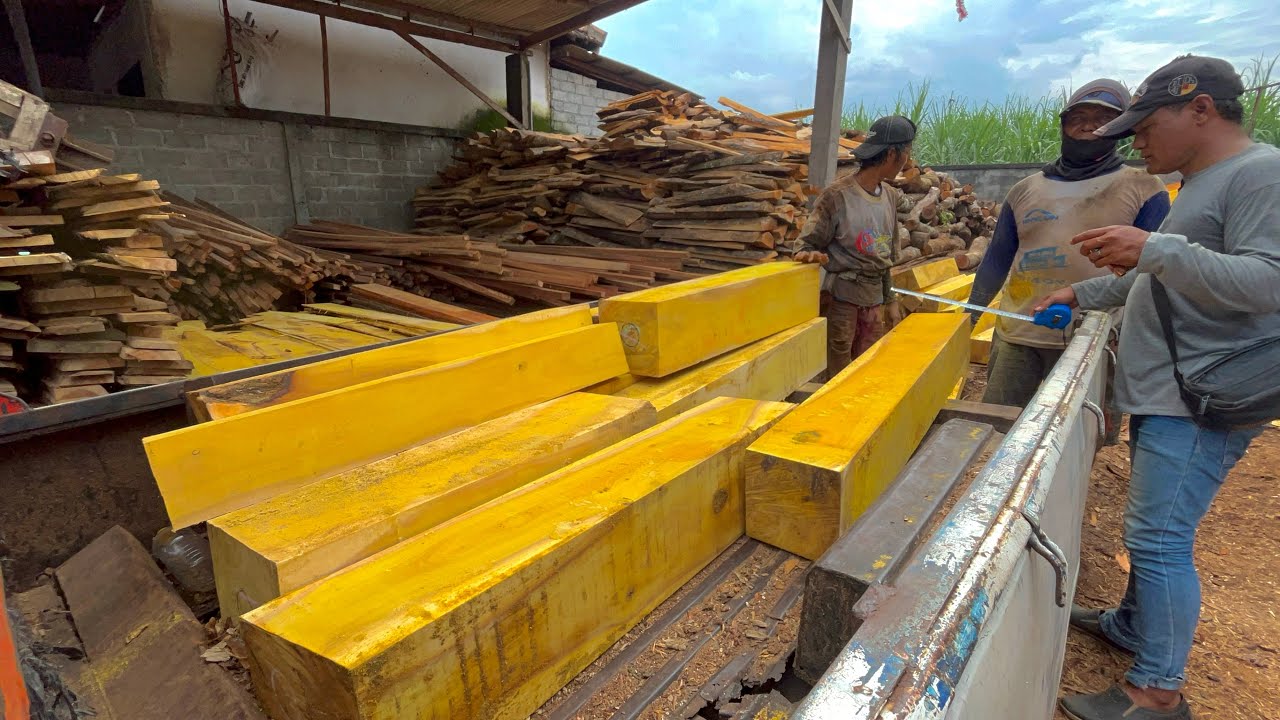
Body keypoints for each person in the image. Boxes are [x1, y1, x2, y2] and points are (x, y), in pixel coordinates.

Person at [1034, 56, 1280, 720]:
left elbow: (1268, 282)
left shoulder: (1261, 174)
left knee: (1159, 537)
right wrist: (1080, 290)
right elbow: (1157, 276)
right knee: (1153, 530)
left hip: (1203, 396)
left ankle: (1155, 692)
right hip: (1170, 389)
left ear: (1200, 110)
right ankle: (1133, 624)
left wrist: (1154, 249)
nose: (1137, 142)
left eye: (1147, 126)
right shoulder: (1198, 183)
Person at [967, 79, 1170, 419]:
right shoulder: (1024, 190)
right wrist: (970, 314)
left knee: (1079, 435)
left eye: (1102, 117)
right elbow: (997, 260)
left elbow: (1153, 271)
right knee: (997, 424)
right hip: (1019, 331)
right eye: (1079, 116)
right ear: (1064, 124)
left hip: (1095, 337)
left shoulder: (1144, 188)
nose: (1088, 124)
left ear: (1120, 129)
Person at [793, 115, 913, 378]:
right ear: (893, 153)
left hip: (874, 301)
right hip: (842, 300)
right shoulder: (838, 196)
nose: (908, 160)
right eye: (907, 152)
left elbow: (884, 261)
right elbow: (804, 244)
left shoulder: (890, 198)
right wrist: (809, 254)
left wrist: (891, 301)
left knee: (866, 370)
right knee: (838, 372)